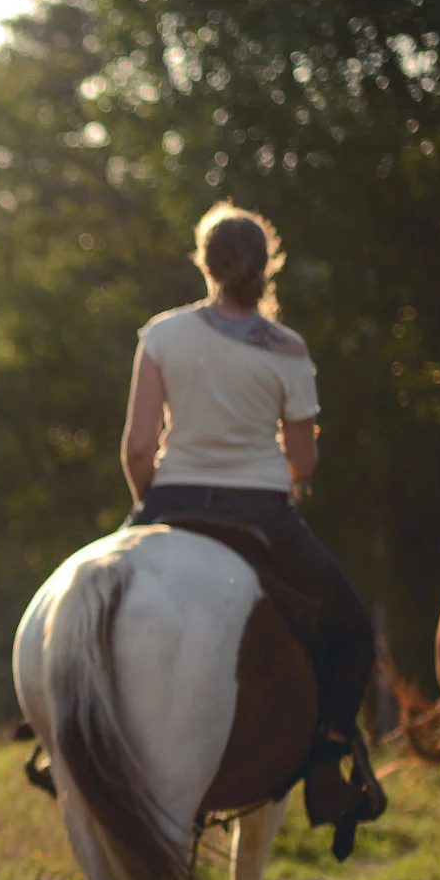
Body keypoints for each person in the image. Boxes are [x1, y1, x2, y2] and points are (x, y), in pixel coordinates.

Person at [119, 203, 388, 842]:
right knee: (351, 632)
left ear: (203, 263)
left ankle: (55, 743)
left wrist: (147, 506)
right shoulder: (287, 348)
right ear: (267, 267)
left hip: (169, 500)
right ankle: (326, 759)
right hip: (261, 513)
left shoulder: (161, 333)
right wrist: (286, 483)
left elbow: (136, 447)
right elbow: (302, 458)